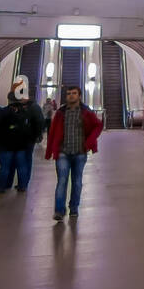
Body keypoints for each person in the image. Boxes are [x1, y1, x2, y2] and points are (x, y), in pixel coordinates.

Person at [45, 84, 103, 221]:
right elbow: (52, 133)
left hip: (79, 153)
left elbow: (98, 125)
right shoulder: (60, 113)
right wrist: (49, 152)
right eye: (69, 93)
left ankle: (74, 208)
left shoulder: (86, 112)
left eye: (74, 93)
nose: (71, 95)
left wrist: (89, 143)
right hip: (62, 152)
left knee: (77, 181)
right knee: (62, 181)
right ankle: (59, 210)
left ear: (79, 96)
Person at [0, 91, 36, 192]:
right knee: (22, 166)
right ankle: (22, 186)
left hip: (6, 144)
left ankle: (2, 186)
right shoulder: (24, 112)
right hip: (21, 144)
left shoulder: (4, 111)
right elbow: (28, 128)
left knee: (5, 167)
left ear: (9, 99)